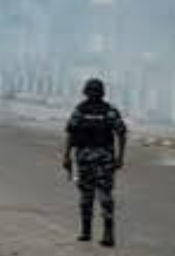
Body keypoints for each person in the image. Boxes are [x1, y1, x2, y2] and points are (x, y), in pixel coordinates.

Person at [63, 78, 127, 248]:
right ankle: (86, 231)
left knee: (104, 196)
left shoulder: (108, 111)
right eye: (91, 90)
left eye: (95, 90)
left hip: (102, 160)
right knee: (86, 196)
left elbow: (121, 133)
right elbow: (71, 133)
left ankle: (107, 233)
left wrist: (120, 157)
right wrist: (66, 156)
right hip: (86, 159)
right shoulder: (81, 110)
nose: (93, 93)